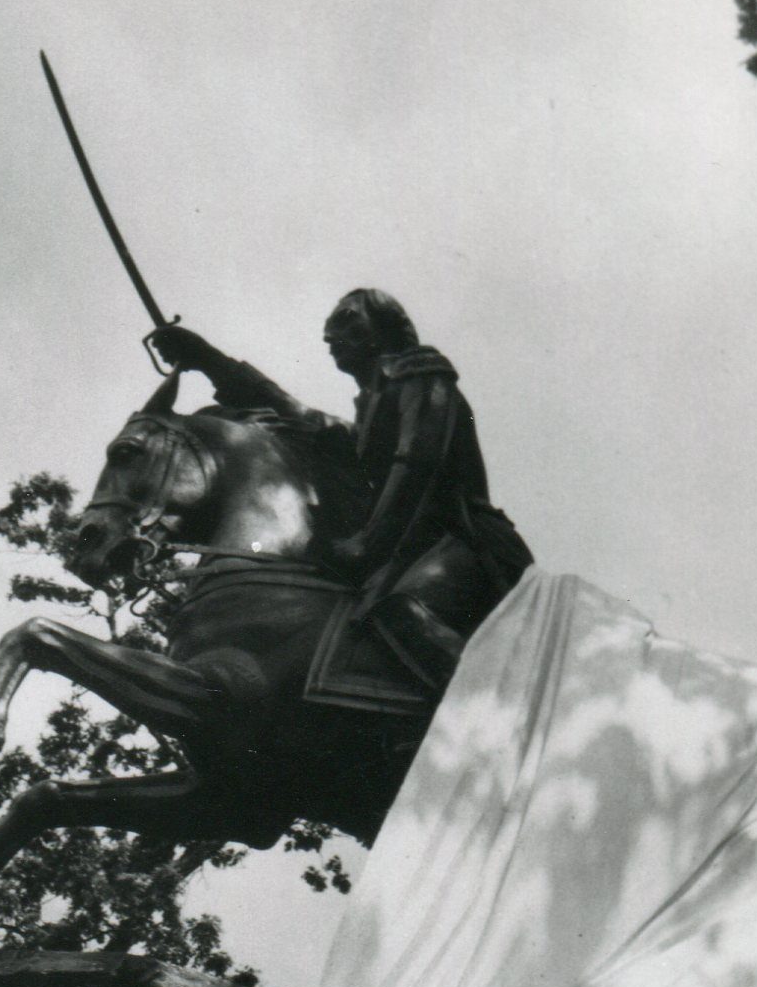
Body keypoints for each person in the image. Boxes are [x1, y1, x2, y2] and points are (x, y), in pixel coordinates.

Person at [150, 290, 533, 689]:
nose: (330, 336)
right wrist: (206, 358)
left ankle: (497, 707)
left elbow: (418, 465)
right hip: (409, 551)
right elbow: (292, 410)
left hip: (467, 541)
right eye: (329, 328)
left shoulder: (421, 374)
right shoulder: (368, 414)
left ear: (386, 327)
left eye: (347, 320)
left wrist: (367, 542)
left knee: (403, 612)